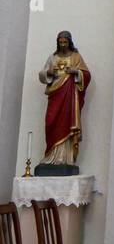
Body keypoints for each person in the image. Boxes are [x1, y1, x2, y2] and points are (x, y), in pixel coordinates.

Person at [38, 31, 91, 166]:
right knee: (51, 122)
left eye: (65, 42)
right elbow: (42, 75)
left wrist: (76, 72)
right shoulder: (52, 58)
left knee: (67, 122)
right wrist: (48, 73)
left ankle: (65, 159)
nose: (62, 45)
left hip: (69, 97)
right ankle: (50, 156)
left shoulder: (76, 57)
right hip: (55, 94)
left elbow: (87, 74)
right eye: (60, 42)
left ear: (69, 42)